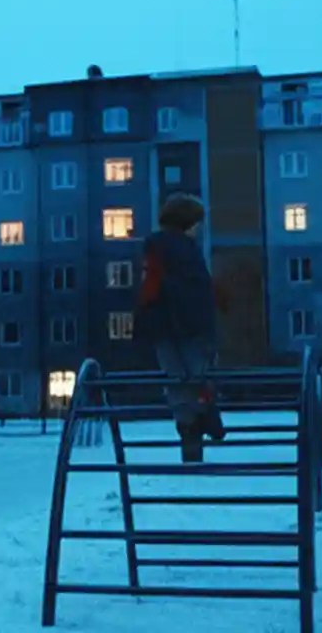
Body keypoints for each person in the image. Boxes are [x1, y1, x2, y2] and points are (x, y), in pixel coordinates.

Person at [134, 193, 228, 463]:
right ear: (187, 222)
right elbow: (196, 287)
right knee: (198, 373)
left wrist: (143, 316)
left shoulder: (158, 246)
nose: (200, 229)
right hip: (192, 324)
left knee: (176, 380)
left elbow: (151, 283)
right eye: (198, 223)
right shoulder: (186, 249)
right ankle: (205, 412)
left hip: (165, 325)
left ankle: (190, 429)